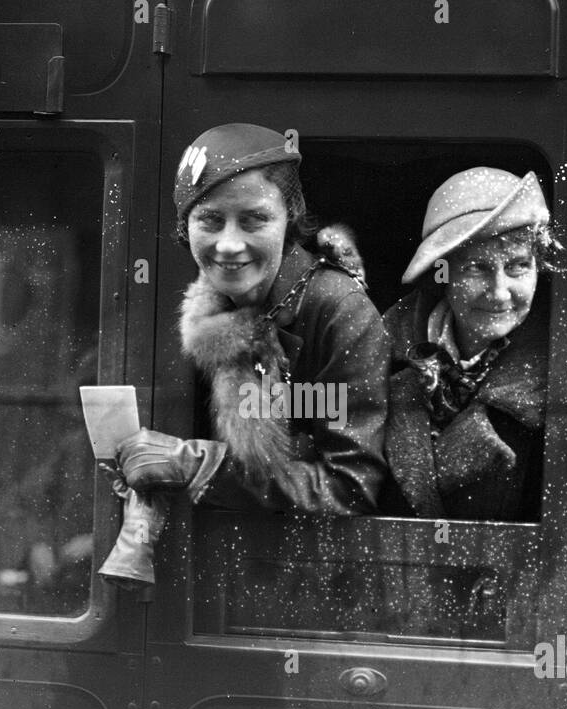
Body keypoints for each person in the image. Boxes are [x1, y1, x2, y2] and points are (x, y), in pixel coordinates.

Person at [111, 123, 390, 522]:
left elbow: (348, 489)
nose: (228, 244)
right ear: (184, 226)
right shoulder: (207, 314)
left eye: (254, 220)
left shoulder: (335, 309)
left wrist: (198, 469)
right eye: (209, 220)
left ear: (289, 220)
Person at [380, 167, 555, 521]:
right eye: (476, 268)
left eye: (519, 266)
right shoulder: (376, 352)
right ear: (441, 274)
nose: (500, 292)